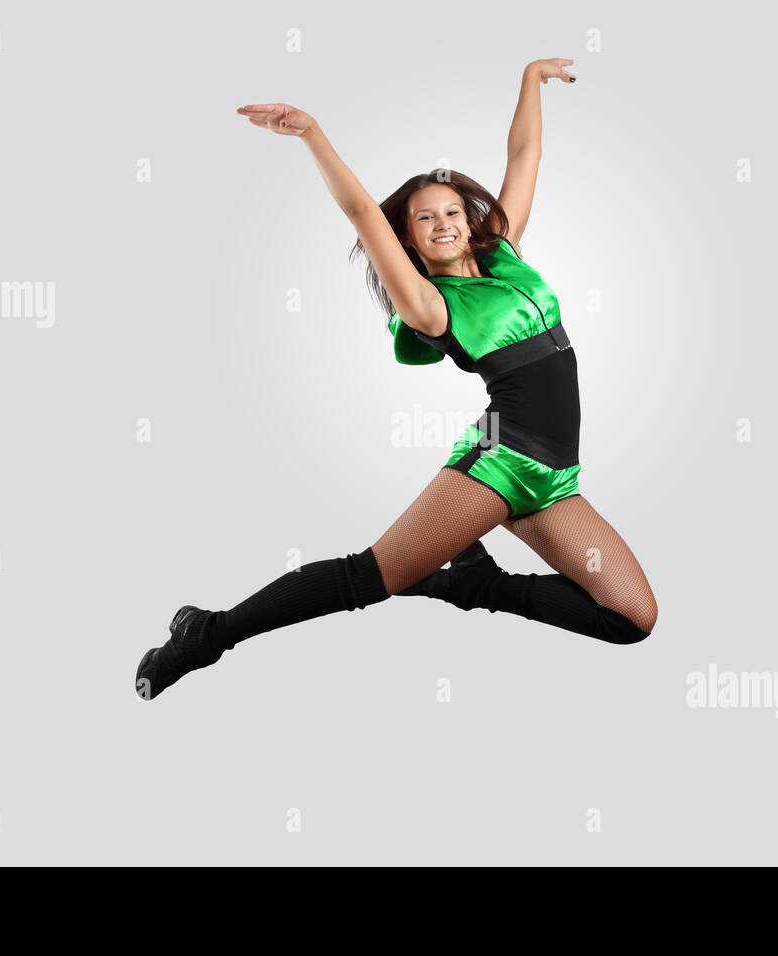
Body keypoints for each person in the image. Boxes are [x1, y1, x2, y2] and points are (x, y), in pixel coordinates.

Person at [136, 58, 657, 701]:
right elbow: (361, 210)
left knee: (631, 617)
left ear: (469, 217)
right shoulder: (430, 305)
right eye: (424, 219)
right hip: (502, 461)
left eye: (451, 211)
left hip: (557, 477)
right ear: (407, 238)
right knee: (367, 578)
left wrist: (530, 76)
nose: (444, 223)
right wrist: (311, 133)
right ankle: (205, 634)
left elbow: (524, 156)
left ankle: (479, 585)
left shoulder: (505, 255)